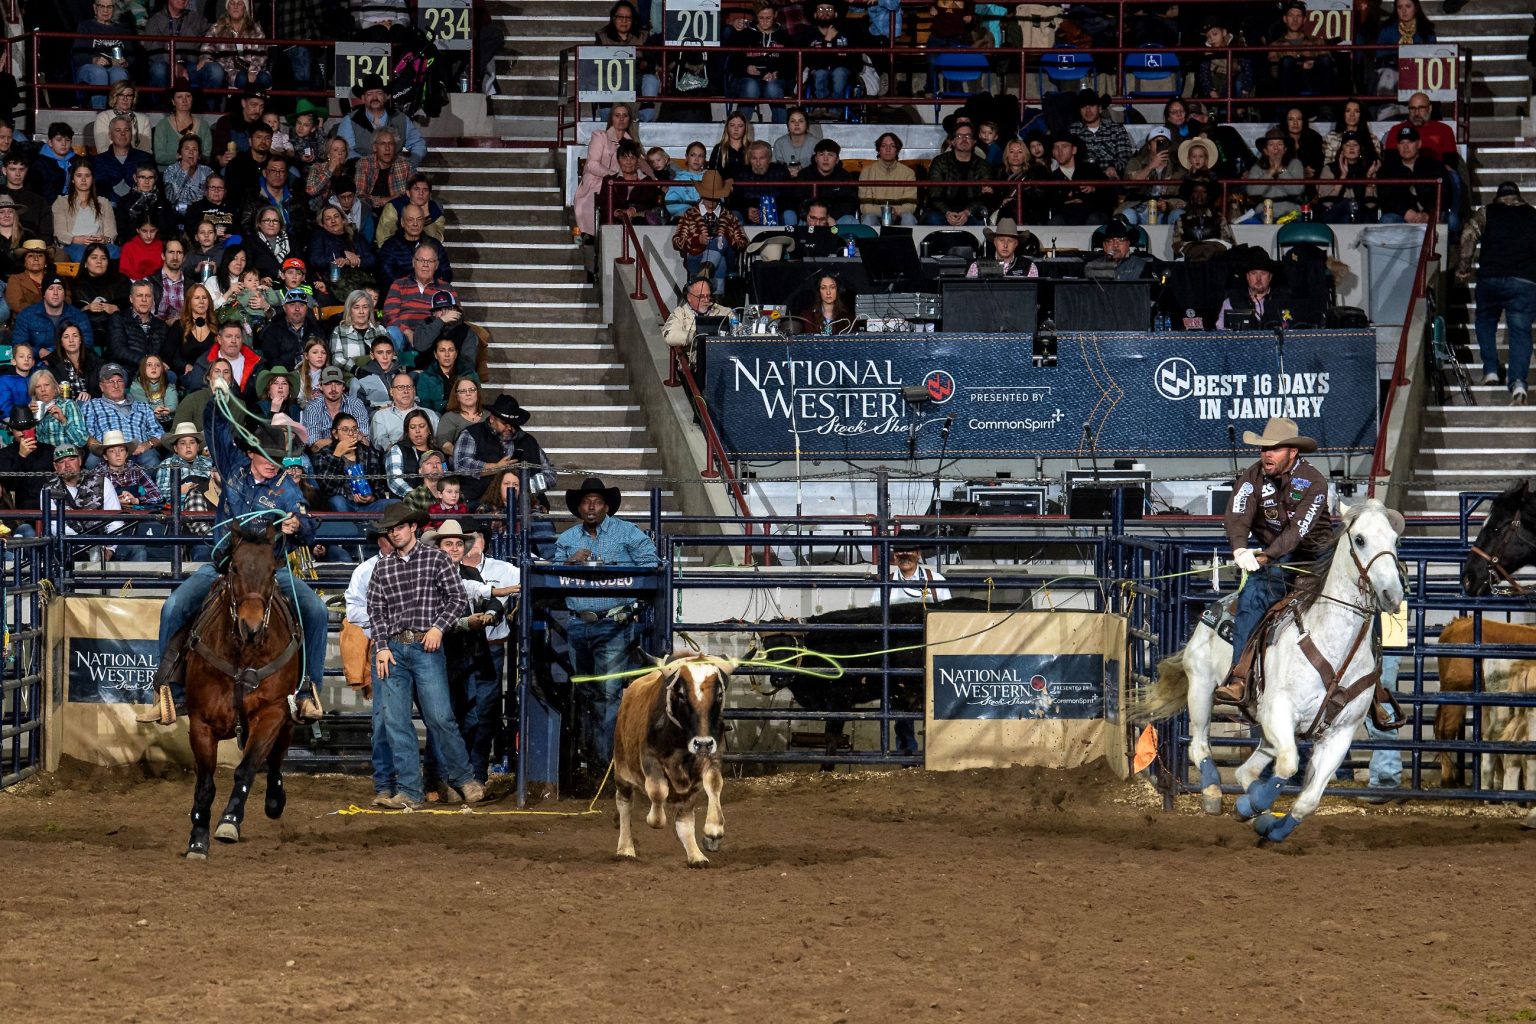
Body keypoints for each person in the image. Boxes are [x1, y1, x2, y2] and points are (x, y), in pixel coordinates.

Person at [143, 384, 328, 727]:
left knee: (316, 610)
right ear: (252, 453)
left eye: (279, 458)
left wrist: (297, 526)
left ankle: (307, 691)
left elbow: (308, 527)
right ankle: (169, 692)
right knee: (174, 607)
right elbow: (215, 428)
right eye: (268, 456)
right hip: (224, 565)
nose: (274, 463)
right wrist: (219, 398)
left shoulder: (287, 489)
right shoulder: (233, 468)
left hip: (271, 571)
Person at [366, 501, 484, 809]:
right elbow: (375, 610)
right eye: (390, 530)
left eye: (399, 527)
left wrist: (438, 628)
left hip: (425, 645)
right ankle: (411, 790)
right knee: (396, 722)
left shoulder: (435, 559)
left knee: (440, 717)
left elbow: (457, 597)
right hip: (393, 647)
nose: (394, 533)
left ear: (413, 527)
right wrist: (381, 646)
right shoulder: (383, 567)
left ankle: (464, 778)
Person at [1213, 417, 1333, 705]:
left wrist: (1266, 555)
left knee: (1362, 593)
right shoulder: (1252, 477)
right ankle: (1240, 678)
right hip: (1280, 556)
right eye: (1264, 448)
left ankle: (1376, 690)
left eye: (1275, 449)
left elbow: (1298, 530)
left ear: (1293, 451)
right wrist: (1239, 550)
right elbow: (1238, 513)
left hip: (1320, 554)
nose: (1267, 454)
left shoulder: (1314, 481)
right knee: (1252, 594)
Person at [553, 477, 660, 773]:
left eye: (597, 501)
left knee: (608, 693)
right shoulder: (567, 539)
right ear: (578, 508)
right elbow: (554, 573)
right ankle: (593, 759)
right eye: (586, 502)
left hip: (613, 622)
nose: (591, 506)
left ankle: (607, 764)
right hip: (578, 623)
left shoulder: (627, 532)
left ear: (606, 507)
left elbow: (651, 564)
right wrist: (570, 562)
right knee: (586, 693)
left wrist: (620, 579)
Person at [1457, 182, 1536, 405]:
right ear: (1518, 197)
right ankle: (1518, 382)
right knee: (1521, 332)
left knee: (1485, 321)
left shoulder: (1487, 212)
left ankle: (1491, 370)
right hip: (1524, 281)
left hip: (1490, 278)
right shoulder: (1533, 215)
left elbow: (1469, 234)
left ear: (1498, 197)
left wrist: (1464, 267)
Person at [451, 394, 554, 506]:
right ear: (492, 419)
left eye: (513, 424)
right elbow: (461, 465)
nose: (509, 428)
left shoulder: (528, 441)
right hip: (479, 503)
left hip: (525, 505)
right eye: (504, 423)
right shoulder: (472, 434)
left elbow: (550, 475)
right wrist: (495, 468)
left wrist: (524, 485)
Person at [670, 171, 747, 296]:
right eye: (708, 196)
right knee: (720, 261)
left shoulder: (729, 216)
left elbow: (743, 243)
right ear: (702, 194)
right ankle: (716, 298)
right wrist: (697, 240)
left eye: (715, 197)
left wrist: (726, 238)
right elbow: (676, 242)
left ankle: (703, 277)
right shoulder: (690, 214)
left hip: (724, 260)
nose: (711, 201)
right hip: (696, 258)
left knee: (721, 250)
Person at [573, 104, 641, 240]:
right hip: (596, 180)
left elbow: (640, 165)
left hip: (620, 183)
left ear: (629, 119)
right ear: (611, 118)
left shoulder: (631, 142)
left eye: (625, 115)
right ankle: (590, 235)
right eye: (617, 115)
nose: (621, 119)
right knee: (597, 197)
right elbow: (592, 164)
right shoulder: (600, 136)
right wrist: (613, 176)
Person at [730, 1, 791, 123]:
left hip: (774, 79)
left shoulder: (783, 36)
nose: (764, 22)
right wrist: (746, 68)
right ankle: (738, 127)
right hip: (747, 78)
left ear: (775, 15)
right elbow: (733, 62)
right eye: (761, 18)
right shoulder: (745, 34)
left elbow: (791, 63)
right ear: (756, 17)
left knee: (773, 88)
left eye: (768, 18)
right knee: (751, 87)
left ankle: (781, 129)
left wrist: (776, 74)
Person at [662, 276, 731, 383]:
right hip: (693, 369)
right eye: (701, 296)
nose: (706, 300)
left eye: (708, 296)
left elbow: (740, 333)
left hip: (721, 368)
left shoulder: (725, 312)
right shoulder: (680, 313)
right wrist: (696, 335)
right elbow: (669, 335)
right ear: (689, 297)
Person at [1377, 125, 1449, 226]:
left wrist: (1427, 213)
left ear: (1419, 144)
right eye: (1402, 143)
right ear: (1397, 146)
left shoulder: (1434, 166)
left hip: (1432, 214)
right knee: (1388, 220)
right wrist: (1405, 212)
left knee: (1451, 220)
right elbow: (1384, 198)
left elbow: (1445, 194)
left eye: (1410, 142)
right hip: (1401, 216)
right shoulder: (1387, 170)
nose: (1406, 147)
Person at [926, 123, 994, 226]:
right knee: (933, 218)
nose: (964, 139)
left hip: (971, 213)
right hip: (943, 212)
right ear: (952, 141)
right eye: (959, 136)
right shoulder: (939, 162)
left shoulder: (983, 166)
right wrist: (947, 212)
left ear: (974, 141)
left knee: (980, 220)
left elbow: (984, 196)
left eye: (968, 136)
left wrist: (967, 212)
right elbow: (934, 193)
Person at [52, 161, 118, 262]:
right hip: (74, 245)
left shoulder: (104, 202)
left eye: (87, 175)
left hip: (99, 245)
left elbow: (111, 232)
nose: (83, 179)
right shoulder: (61, 202)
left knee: (117, 252)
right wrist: (75, 239)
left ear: (92, 179)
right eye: (79, 176)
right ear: (72, 179)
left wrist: (104, 239)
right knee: (82, 256)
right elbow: (59, 232)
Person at [14, 273, 93, 357]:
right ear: (44, 293)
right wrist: (39, 352)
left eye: (59, 288)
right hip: (37, 362)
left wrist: (61, 354)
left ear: (64, 293)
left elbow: (87, 343)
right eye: (51, 288)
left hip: (69, 360)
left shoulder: (78, 316)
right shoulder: (26, 315)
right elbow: (19, 345)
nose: (55, 293)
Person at [1239, 129, 1305, 223]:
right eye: (1271, 144)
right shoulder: (1257, 168)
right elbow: (1252, 192)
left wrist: (1281, 170)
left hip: (1291, 212)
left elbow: (1297, 190)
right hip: (1263, 212)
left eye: (1280, 144)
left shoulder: (1295, 164)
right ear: (1265, 151)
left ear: (1285, 149)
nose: (1276, 148)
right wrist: (1270, 172)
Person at [301, 364, 371, 452]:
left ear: (344, 386)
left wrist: (330, 441)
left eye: (338, 384)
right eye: (328, 384)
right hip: (324, 456)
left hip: (354, 453)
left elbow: (365, 441)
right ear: (320, 386)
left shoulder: (356, 404)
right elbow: (314, 446)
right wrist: (345, 440)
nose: (333, 388)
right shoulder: (312, 408)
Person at [1216, 251, 1293, 329]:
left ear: (1270, 277)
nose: (1258, 278)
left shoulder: (1285, 301)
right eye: (1254, 273)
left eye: (1263, 273)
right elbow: (1221, 332)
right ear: (1247, 276)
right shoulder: (1231, 302)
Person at [858, 132, 919, 227]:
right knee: (868, 218)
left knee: (908, 218)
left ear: (897, 150)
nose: (888, 149)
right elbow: (865, 207)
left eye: (892, 146)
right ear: (878, 150)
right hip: (875, 215)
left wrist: (895, 211)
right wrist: (887, 212)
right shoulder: (867, 172)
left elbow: (910, 206)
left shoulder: (908, 173)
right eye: (883, 146)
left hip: (899, 215)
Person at [1069, 91, 1133, 179]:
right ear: (1079, 110)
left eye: (1091, 105)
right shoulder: (1073, 130)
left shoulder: (1116, 129)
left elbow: (1125, 156)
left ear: (1099, 108)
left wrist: (1113, 167)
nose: (1088, 110)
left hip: (1109, 180)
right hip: (1082, 180)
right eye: (1083, 106)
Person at [371, 373, 439, 453]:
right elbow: (380, 441)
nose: (406, 391)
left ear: (414, 390)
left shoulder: (430, 414)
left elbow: (438, 440)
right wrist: (397, 451)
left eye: (409, 387)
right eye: (400, 387)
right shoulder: (381, 416)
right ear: (391, 392)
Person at [967, 218, 1037, 278]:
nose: (1005, 245)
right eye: (1001, 240)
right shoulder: (977, 266)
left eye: (1010, 241)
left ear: (1016, 244)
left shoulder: (1029, 267)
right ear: (995, 242)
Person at [1084, 220, 1154, 281]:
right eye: (1110, 241)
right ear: (1104, 245)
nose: (1115, 245)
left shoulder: (1142, 266)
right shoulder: (1093, 267)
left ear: (1128, 244)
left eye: (1121, 240)